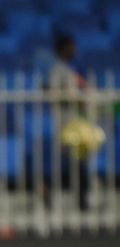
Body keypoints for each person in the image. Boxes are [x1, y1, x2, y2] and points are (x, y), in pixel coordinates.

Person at [47, 33, 103, 212]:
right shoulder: (58, 71)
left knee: (76, 163)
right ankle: (49, 189)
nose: (75, 50)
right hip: (66, 126)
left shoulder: (69, 70)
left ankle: (80, 200)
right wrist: (77, 99)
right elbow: (56, 96)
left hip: (75, 124)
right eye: (72, 46)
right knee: (72, 164)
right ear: (63, 49)